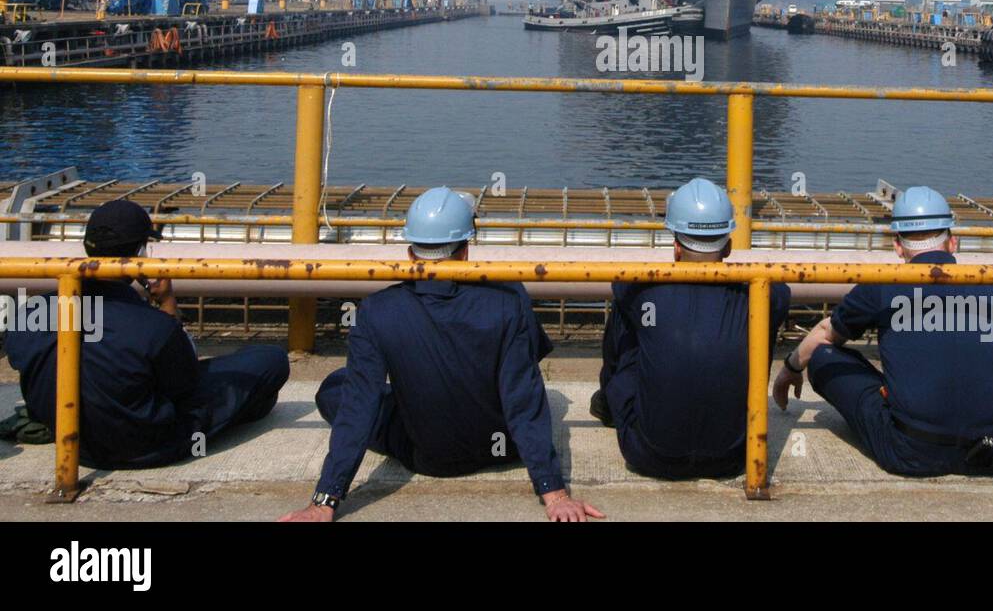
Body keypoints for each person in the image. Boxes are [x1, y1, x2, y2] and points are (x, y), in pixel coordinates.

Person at [280, 187, 602, 522]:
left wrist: (325, 499)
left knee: (337, 389)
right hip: (504, 447)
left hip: (429, 457)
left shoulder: (377, 311)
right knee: (521, 384)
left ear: (409, 253)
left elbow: (360, 407)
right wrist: (554, 493)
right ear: (465, 251)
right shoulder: (509, 297)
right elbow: (523, 396)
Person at [5, 199, 288, 468]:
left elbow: (20, 356)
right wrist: (167, 305)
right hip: (145, 446)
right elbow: (184, 385)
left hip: (73, 444)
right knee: (269, 360)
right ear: (140, 252)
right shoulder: (152, 325)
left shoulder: (33, 311)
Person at [773, 186, 993, 476]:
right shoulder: (987, 286)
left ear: (898, 245)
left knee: (823, 356)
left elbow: (827, 334)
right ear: (953, 243)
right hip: (992, 453)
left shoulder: (884, 283)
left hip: (912, 452)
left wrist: (790, 368)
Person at [590, 177, 791, 479]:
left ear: (676, 247)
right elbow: (780, 298)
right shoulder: (766, 292)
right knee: (754, 332)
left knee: (632, 336)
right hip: (736, 456)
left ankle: (606, 403)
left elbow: (620, 339)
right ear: (729, 246)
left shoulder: (638, 288)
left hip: (649, 455)